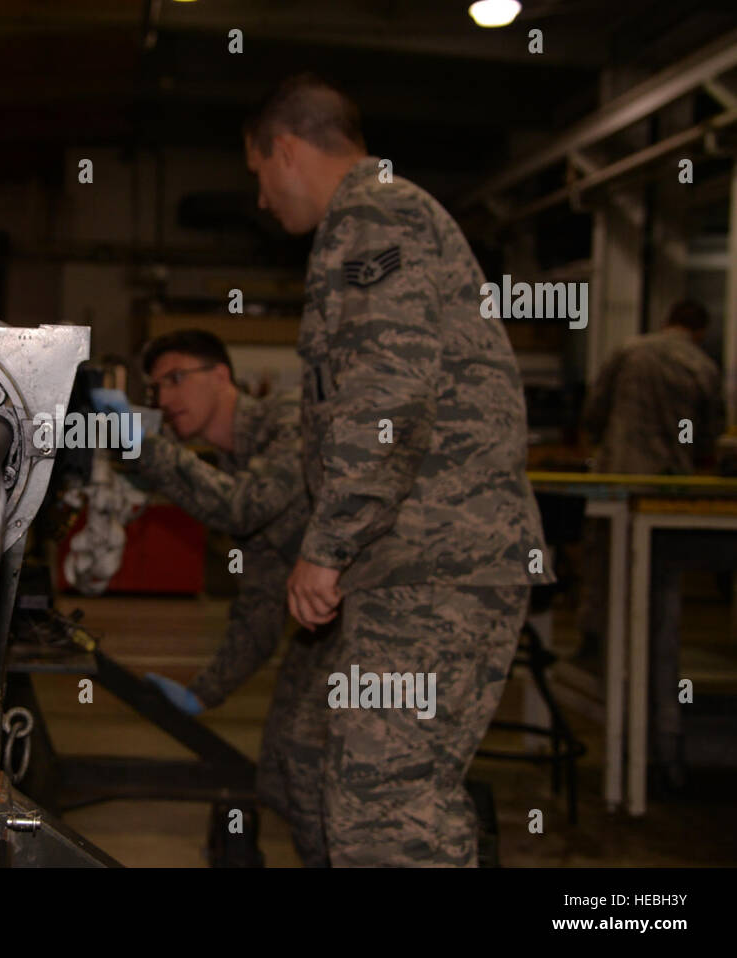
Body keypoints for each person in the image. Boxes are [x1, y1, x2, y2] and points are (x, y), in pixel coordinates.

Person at [243, 73, 551, 866]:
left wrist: (328, 544)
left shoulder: (376, 213)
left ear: (284, 150)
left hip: (433, 566)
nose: (261, 200)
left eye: (258, 175)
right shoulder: (378, 213)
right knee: (352, 785)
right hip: (418, 561)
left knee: (388, 814)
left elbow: (390, 391)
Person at [98, 328, 326, 864]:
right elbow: (265, 599)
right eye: (156, 389)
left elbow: (241, 507)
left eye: (177, 379)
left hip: (391, 607)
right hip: (334, 619)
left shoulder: (291, 421)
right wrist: (206, 691)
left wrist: (145, 447)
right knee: (281, 774)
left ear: (222, 376)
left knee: (325, 770)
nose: (167, 398)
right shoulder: (236, 462)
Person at [580, 299, 725, 786]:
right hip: (668, 497)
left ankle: (602, 664)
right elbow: (708, 438)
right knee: (659, 609)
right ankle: (659, 731)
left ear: (668, 320)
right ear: (699, 330)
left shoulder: (630, 351)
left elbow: (594, 413)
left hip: (617, 485)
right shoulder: (701, 364)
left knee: (608, 588)